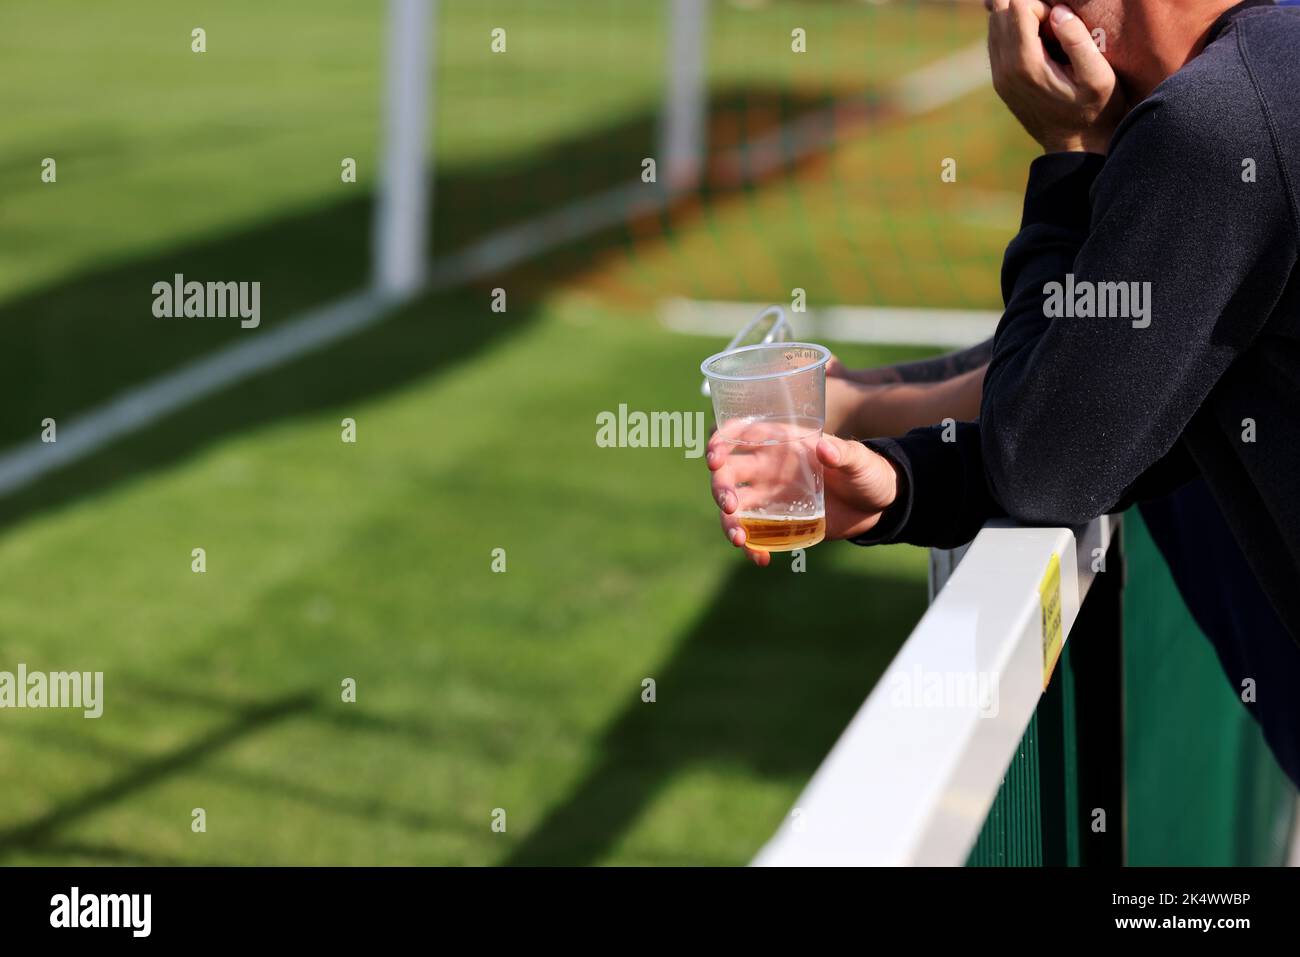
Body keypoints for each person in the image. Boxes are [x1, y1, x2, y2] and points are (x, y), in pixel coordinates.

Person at [707, 0, 1300, 781]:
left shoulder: (1216, 121)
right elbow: (1124, 386)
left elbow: (1047, 459)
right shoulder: (1273, 61)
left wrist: (1068, 159)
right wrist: (904, 484)